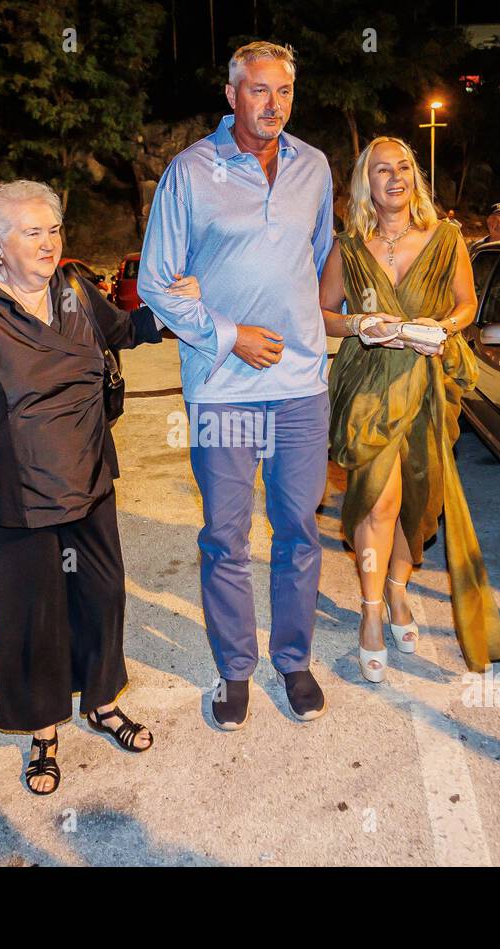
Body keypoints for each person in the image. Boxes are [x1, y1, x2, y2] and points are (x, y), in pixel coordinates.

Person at [0, 180, 201, 795]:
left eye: (53, 230)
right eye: (32, 232)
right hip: (16, 495)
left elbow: (125, 331)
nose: (49, 243)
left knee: (100, 600)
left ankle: (102, 703)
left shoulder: (74, 290)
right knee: (31, 617)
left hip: (90, 480)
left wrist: (176, 310)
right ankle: (44, 733)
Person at [138, 41, 335, 730]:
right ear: (232, 95)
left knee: (299, 530)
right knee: (226, 536)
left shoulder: (314, 167)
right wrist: (230, 334)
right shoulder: (190, 172)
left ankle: (294, 659)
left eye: (283, 90)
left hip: (303, 384)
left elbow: (311, 261)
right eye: (259, 89)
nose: (273, 102)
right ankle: (234, 671)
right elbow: (154, 283)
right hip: (223, 386)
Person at [318, 135, 500, 681]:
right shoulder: (349, 247)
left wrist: (441, 327)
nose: (396, 177)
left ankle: (399, 589)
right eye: (382, 170)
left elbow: (467, 305)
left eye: (403, 167)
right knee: (377, 501)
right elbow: (323, 312)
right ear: (366, 183)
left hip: (428, 384)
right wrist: (358, 324)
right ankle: (372, 611)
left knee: (418, 505)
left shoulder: (446, 238)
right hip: (368, 385)